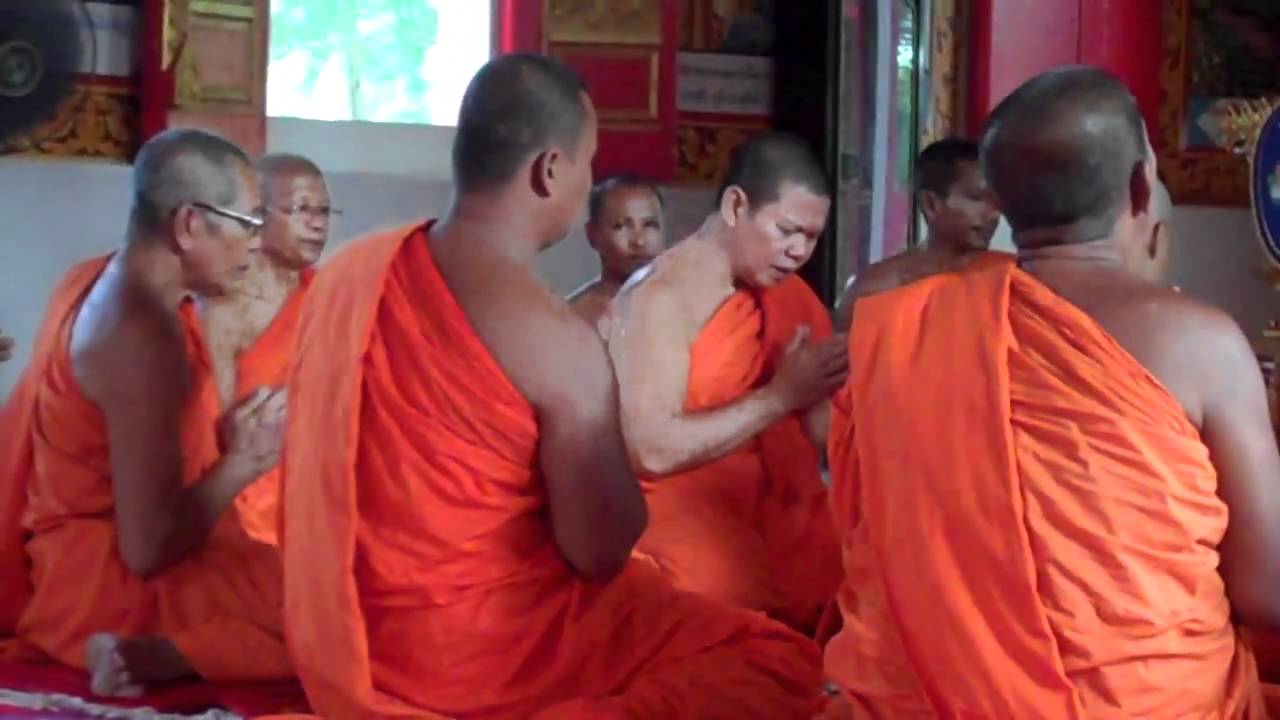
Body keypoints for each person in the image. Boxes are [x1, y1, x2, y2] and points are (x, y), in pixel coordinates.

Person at [281, 54, 824, 719]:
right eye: (589, 161)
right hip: (481, 650)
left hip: (346, 631)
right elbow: (597, 551)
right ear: (549, 171)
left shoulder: (349, 277)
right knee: (777, 662)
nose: (589, 177)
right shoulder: (559, 340)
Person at [824, 66, 1277, 717]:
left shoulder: (904, 330)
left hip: (936, 697)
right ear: (1142, 186)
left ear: (1003, 203)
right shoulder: (1199, 341)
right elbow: (1266, 589)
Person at [0, 129, 291, 698]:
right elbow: (148, 546)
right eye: (249, 224)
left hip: (65, 563)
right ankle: (152, 654)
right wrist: (242, 463)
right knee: (332, 608)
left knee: (305, 573)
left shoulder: (92, 278)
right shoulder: (141, 335)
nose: (258, 244)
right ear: (188, 225)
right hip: (105, 589)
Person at [605, 132, 847, 634]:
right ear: (736, 205)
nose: (799, 250)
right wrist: (780, 397)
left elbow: (825, 434)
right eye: (786, 230)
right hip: (686, 554)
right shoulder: (661, 299)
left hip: (788, 545)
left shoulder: (791, 298)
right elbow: (649, 449)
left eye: (812, 237)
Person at [199, 153, 332, 544]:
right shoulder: (225, 307)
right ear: (257, 215)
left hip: (315, 493)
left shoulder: (328, 295)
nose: (317, 223)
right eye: (300, 208)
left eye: (324, 210)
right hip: (245, 506)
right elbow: (209, 434)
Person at [833, 137, 1000, 329]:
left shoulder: (1009, 282)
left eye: (996, 200)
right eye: (978, 198)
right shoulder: (875, 291)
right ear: (931, 204)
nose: (994, 214)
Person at [566, 175, 666, 329]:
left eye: (649, 225)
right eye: (622, 226)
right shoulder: (574, 317)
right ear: (592, 235)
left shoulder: (687, 306)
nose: (639, 241)